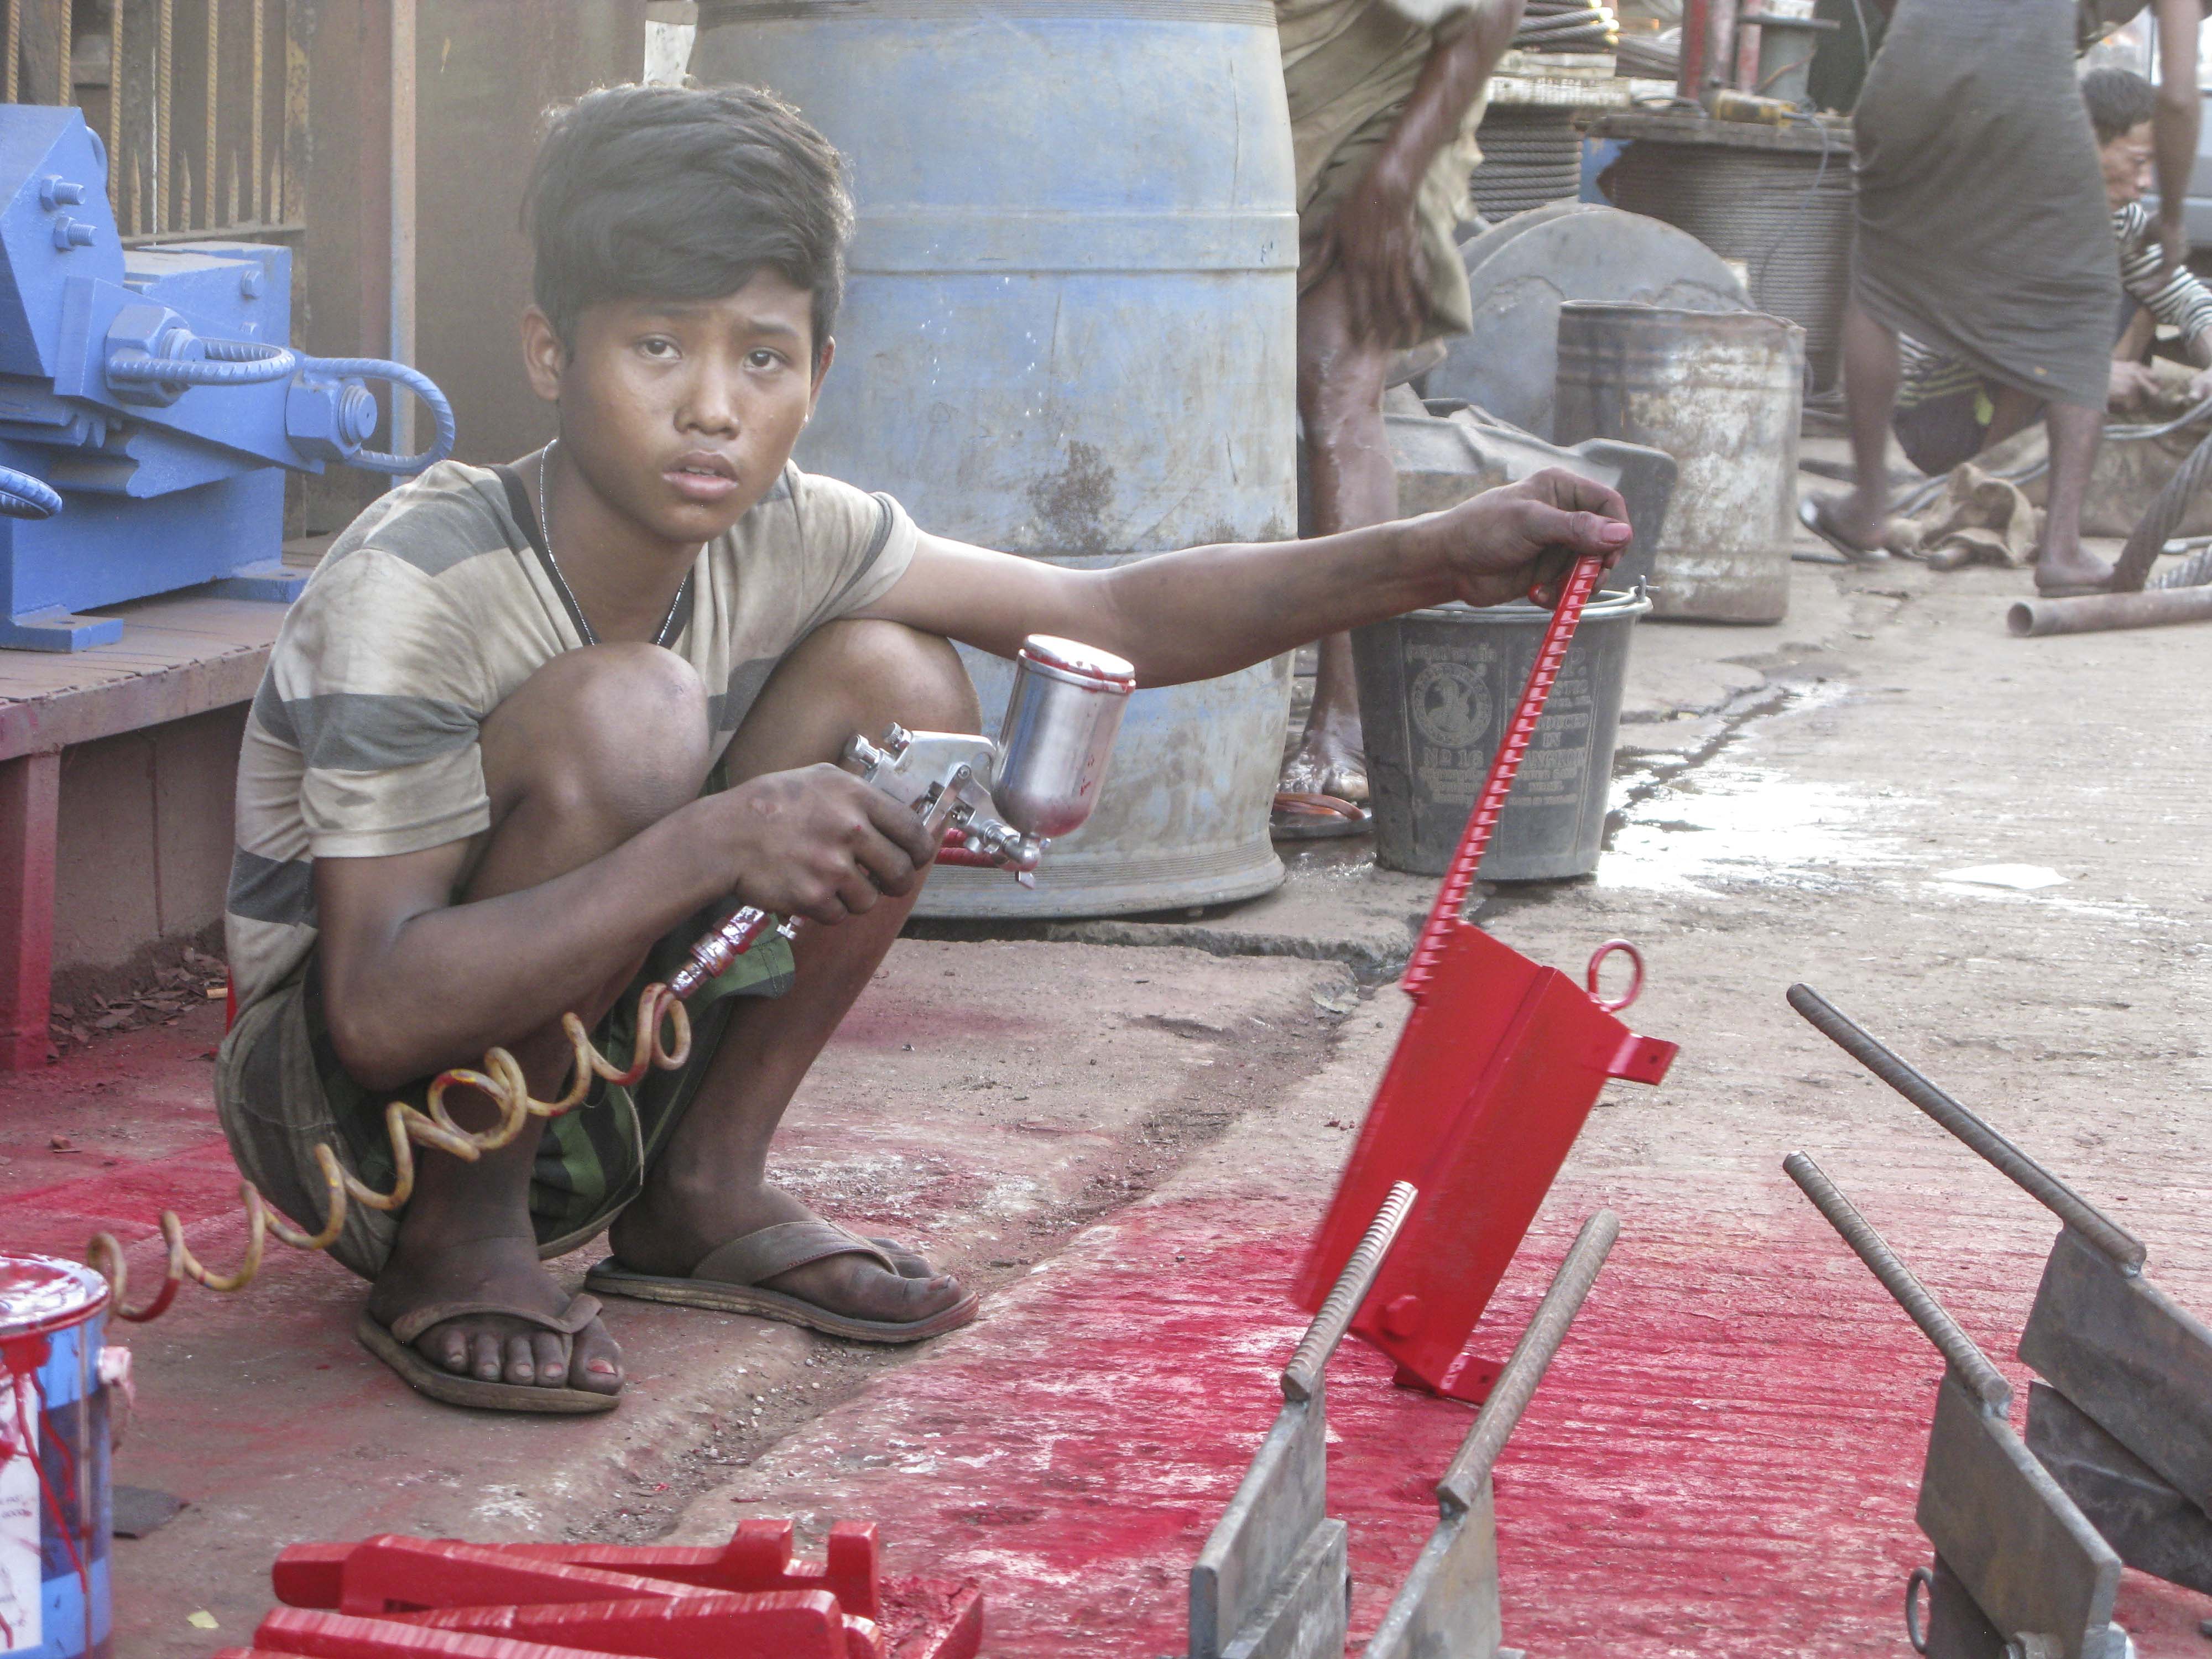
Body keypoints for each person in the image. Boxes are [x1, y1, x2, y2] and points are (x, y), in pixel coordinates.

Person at [216, 82, 1631, 1412]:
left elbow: (1106, 608)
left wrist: (1433, 555)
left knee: (901, 674)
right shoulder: (421, 577)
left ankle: (699, 1188)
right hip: (356, 1124)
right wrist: (715, 835)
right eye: (658, 345)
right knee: (633, 704)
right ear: (549, 349)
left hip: (584, 1057)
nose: (713, 405)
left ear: (817, 373)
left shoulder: (785, 530)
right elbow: (378, 1010)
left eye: (760, 357)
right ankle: (464, 1245)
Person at [1803, 0, 2205, 595]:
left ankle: (1867, 503)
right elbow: (2175, 95)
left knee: (1877, 287)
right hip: (2024, 85)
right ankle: (2063, 550)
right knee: (2081, 303)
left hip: (1904, 73)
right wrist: (2172, 216)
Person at [1270, 0, 1524, 838]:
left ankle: (1351, 719)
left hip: (1394, 100)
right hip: (1246, 89)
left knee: (1335, 382)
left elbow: (1490, 9)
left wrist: (1393, 180)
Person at [1888, 67, 2212, 481]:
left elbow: (2188, 300)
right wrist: (2090, 377)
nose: (2146, 184)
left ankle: (2057, 458)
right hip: (1937, 412)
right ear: (2088, 141)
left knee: (2146, 296)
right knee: (2063, 308)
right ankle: (1986, 479)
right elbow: (1986, 335)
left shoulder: (2118, 219)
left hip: (2027, 379)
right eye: (2138, 163)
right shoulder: (2011, 207)